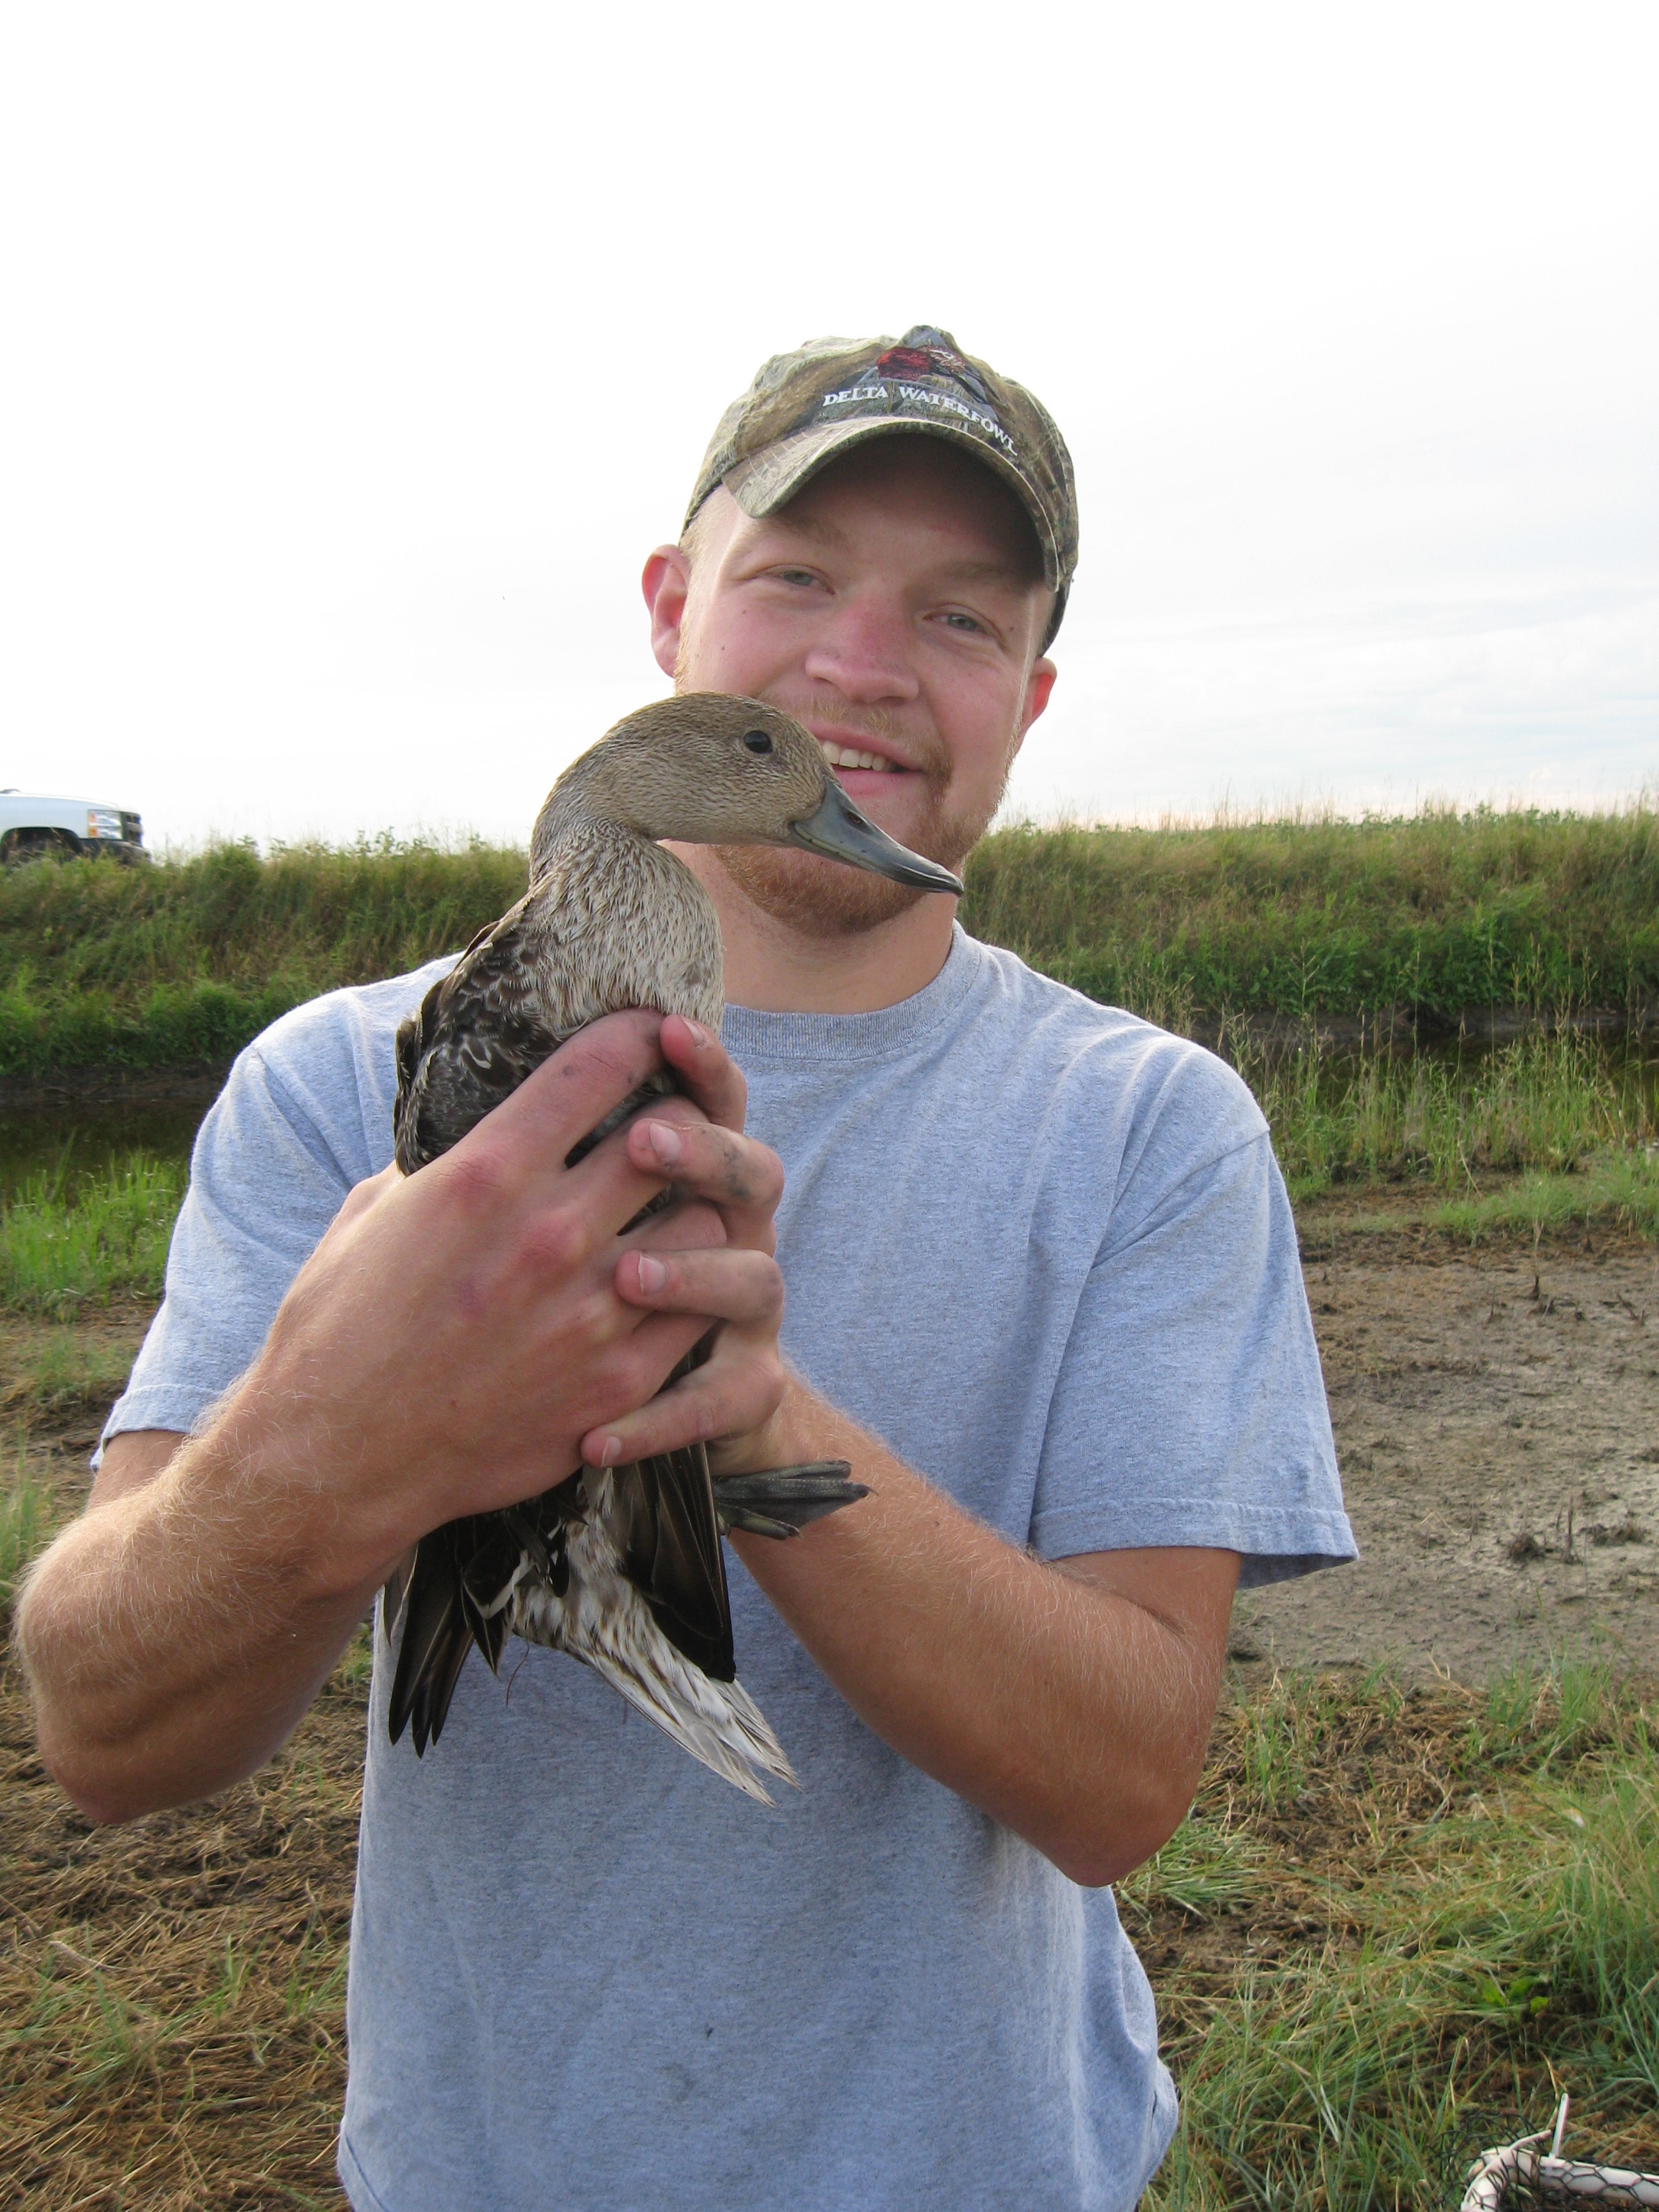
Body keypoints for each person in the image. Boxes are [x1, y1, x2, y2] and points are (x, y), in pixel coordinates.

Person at [17, 325, 1355, 2211]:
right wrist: (330, 1443)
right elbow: (106, 1731)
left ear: (1034, 695)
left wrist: (737, 1406)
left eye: (960, 618)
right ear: (672, 608)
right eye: (798, 580)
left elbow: (1121, 1787)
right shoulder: (338, 1085)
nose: (863, 668)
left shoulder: (1153, 1129)